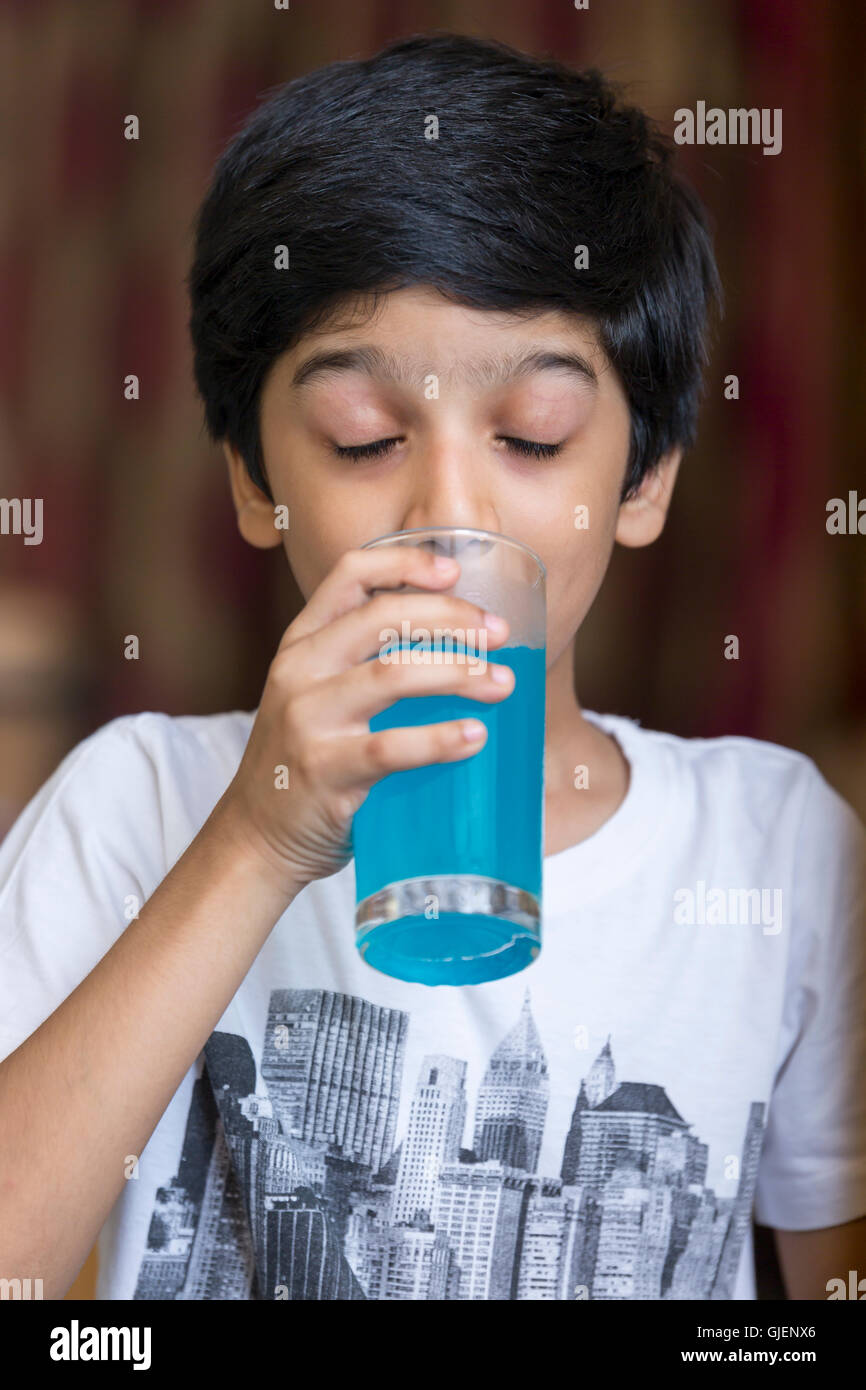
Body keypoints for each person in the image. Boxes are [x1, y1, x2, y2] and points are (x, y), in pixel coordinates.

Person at [1, 32, 864, 1303]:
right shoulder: (135, 805)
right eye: (360, 440)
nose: (445, 513)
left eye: (532, 433)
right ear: (252, 479)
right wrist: (252, 838)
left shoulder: (772, 844)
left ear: (642, 479)